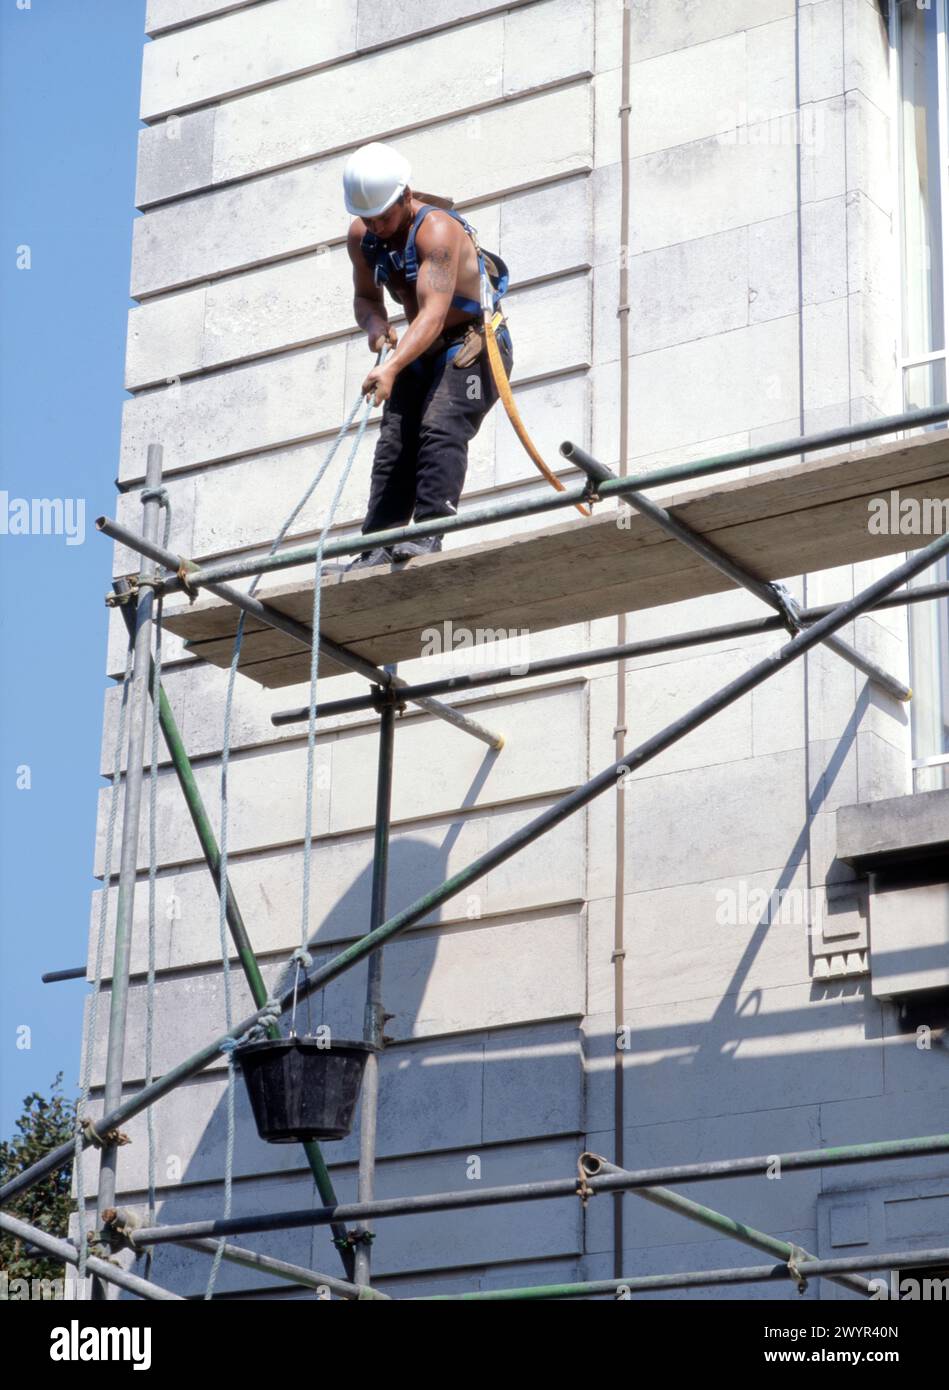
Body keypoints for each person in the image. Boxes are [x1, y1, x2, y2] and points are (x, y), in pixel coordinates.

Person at [343, 141, 513, 566]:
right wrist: (375, 325)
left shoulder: (436, 231)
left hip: (472, 345)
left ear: (405, 195)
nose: (378, 225)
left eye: (385, 215)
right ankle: (376, 547)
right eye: (369, 218)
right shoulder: (362, 237)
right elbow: (366, 298)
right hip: (422, 349)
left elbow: (435, 314)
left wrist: (392, 367)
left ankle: (429, 533)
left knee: (439, 427)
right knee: (394, 444)